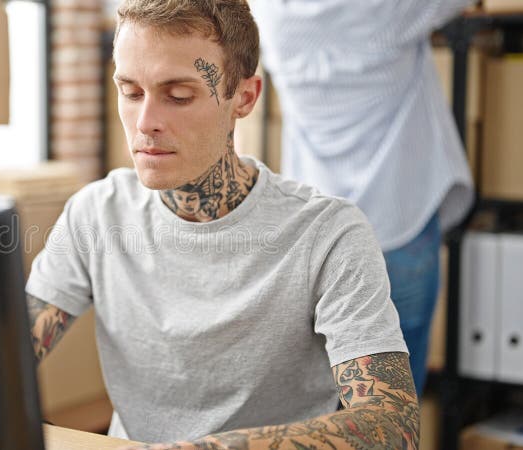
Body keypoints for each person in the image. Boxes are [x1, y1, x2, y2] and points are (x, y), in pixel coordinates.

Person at [27, 0, 420, 448]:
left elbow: (393, 428)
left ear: (245, 98)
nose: (146, 123)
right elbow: (4, 358)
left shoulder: (330, 235)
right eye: (131, 92)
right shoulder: (95, 214)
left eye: (179, 96)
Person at [251, 1, 476, 394]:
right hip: (400, 222)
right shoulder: (386, 8)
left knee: (329, 403)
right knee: (398, 401)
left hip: (321, 238)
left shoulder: (273, 13)